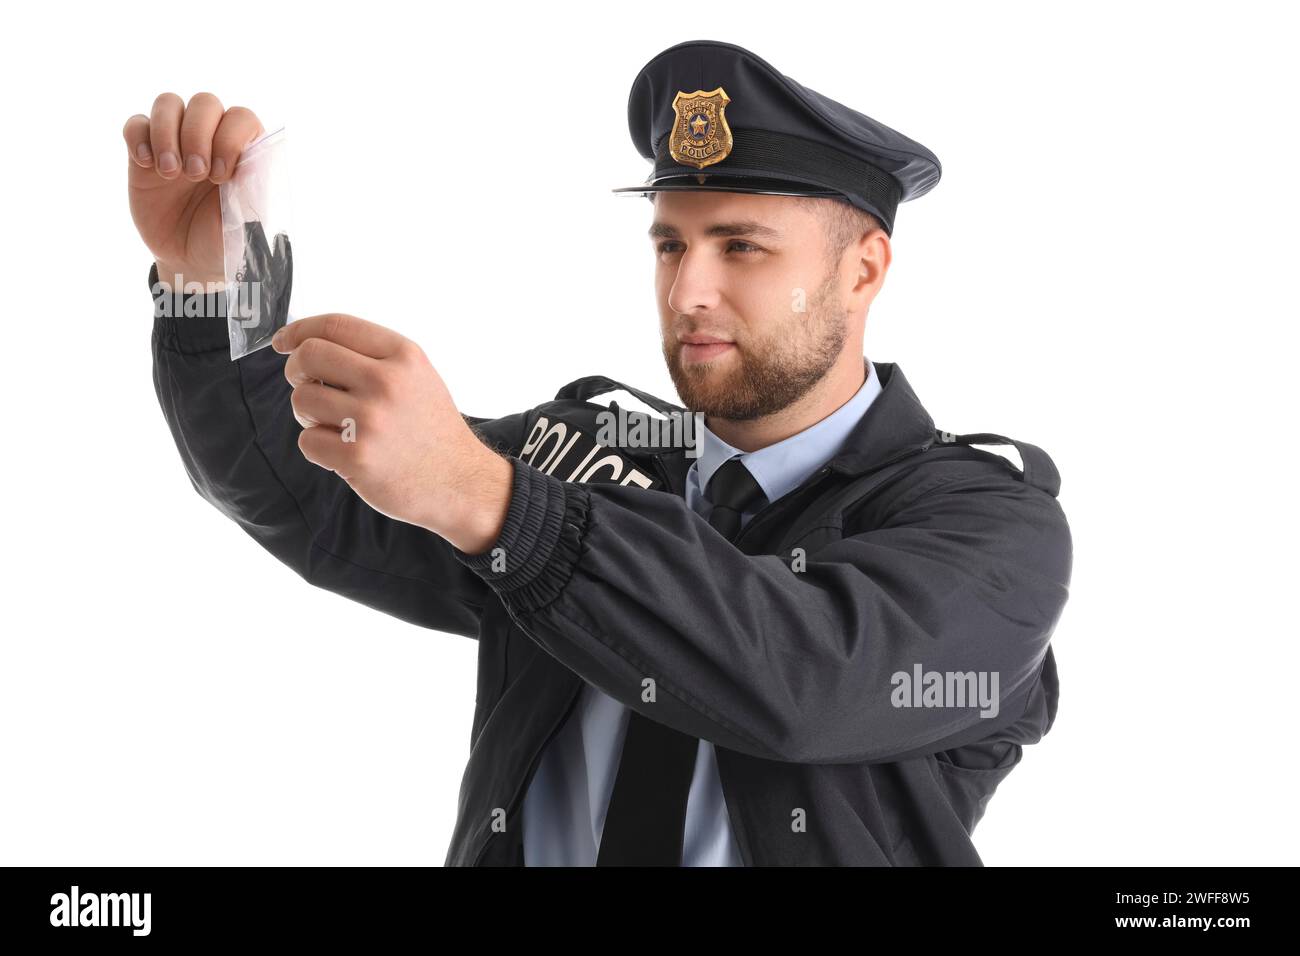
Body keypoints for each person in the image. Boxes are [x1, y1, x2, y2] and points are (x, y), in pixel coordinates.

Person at [124, 39, 1072, 866]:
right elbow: (300, 494)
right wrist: (215, 283)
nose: (689, 290)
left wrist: (495, 505)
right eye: (670, 245)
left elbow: (808, 682)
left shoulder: (990, 528)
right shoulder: (578, 457)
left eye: (741, 248)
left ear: (863, 269)